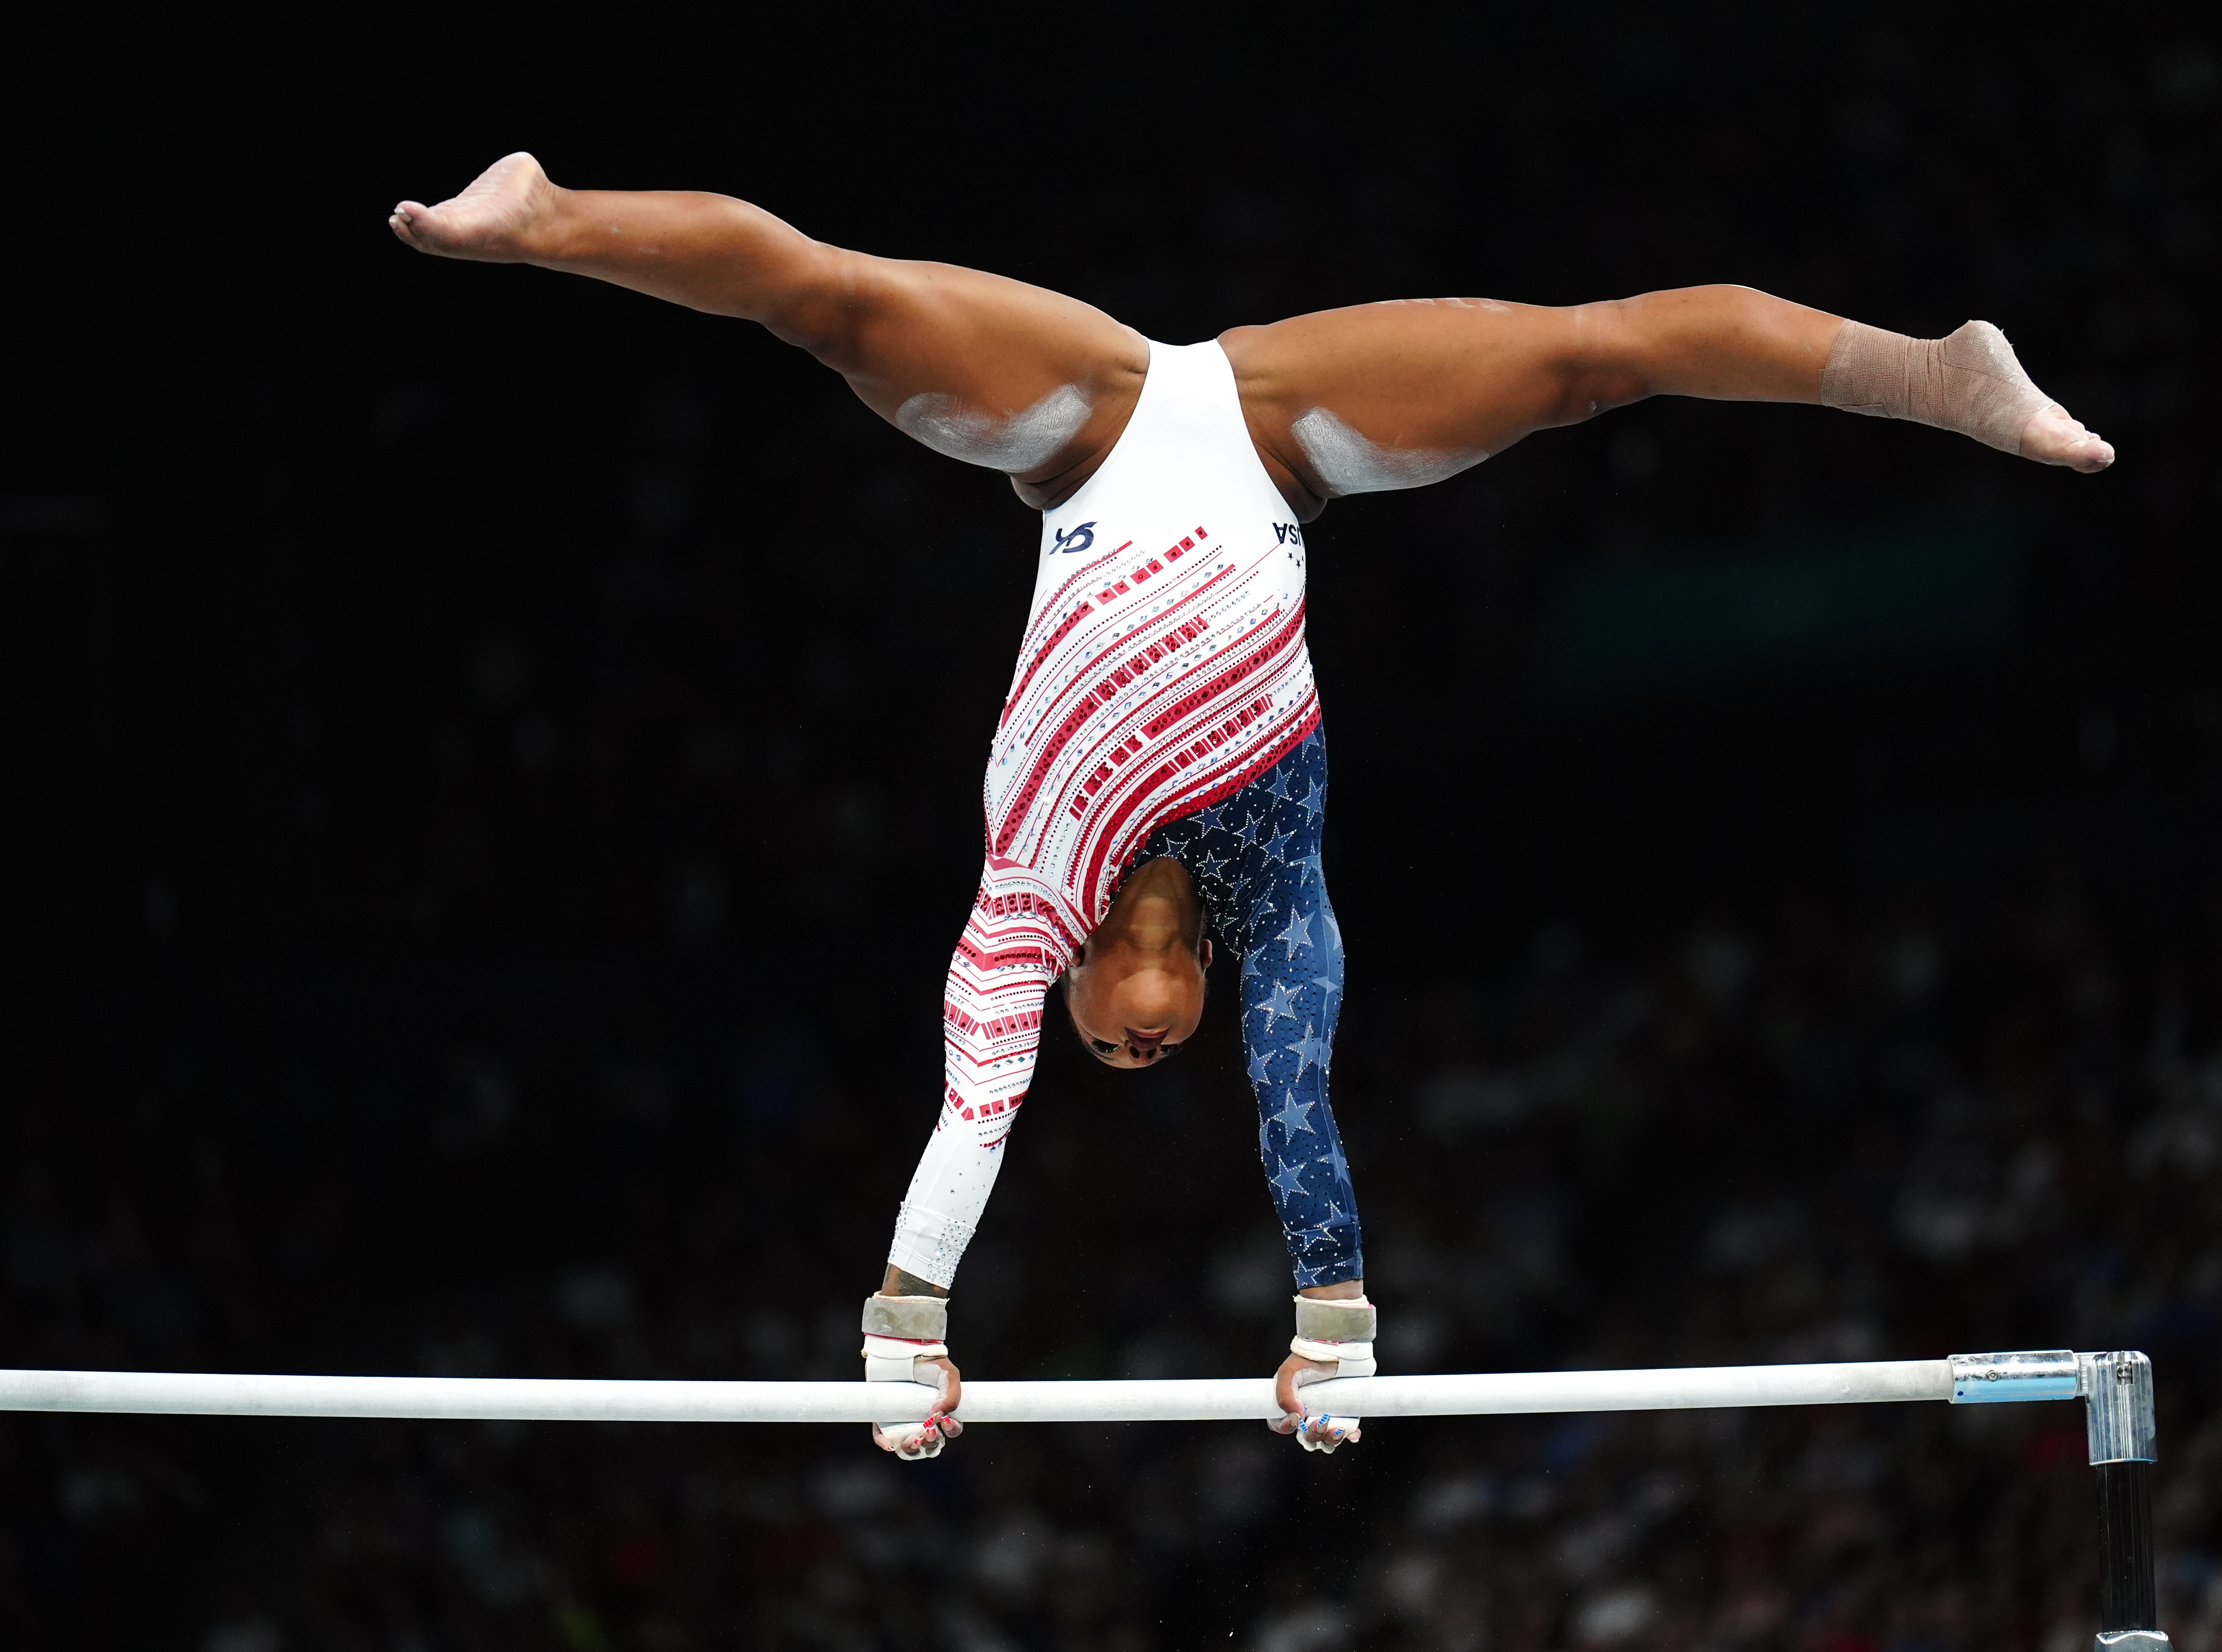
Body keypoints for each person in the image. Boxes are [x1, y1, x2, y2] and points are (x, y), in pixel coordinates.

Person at [390, 152, 2114, 1461]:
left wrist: (904, 1339)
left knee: (832, 305)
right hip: (1280, 437)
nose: (1135, 1049)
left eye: (1109, 1052)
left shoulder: (1015, 916)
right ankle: (1935, 371)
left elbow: (968, 1124)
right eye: (1162, 1056)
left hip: (1088, 433)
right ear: (1198, 1000)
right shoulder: (1279, 898)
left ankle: (546, 219)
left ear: (1076, 995)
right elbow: (1296, 1100)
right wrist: (1336, 1330)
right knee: (1598, 361)